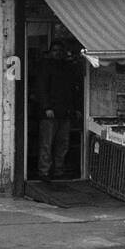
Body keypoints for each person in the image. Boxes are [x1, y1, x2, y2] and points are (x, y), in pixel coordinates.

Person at [35, 41, 79, 180]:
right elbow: (41, 88)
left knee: (62, 143)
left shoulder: (67, 68)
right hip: (49, 112)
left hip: (65, 112)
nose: (58, 53)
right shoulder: (45, 67)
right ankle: (44, 171)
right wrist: (46, 107)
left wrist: (74, 108)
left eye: (60, 50)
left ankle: (58, 169)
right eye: (55, 50)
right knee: (47, 143)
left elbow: (71, 90)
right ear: (50, 52)